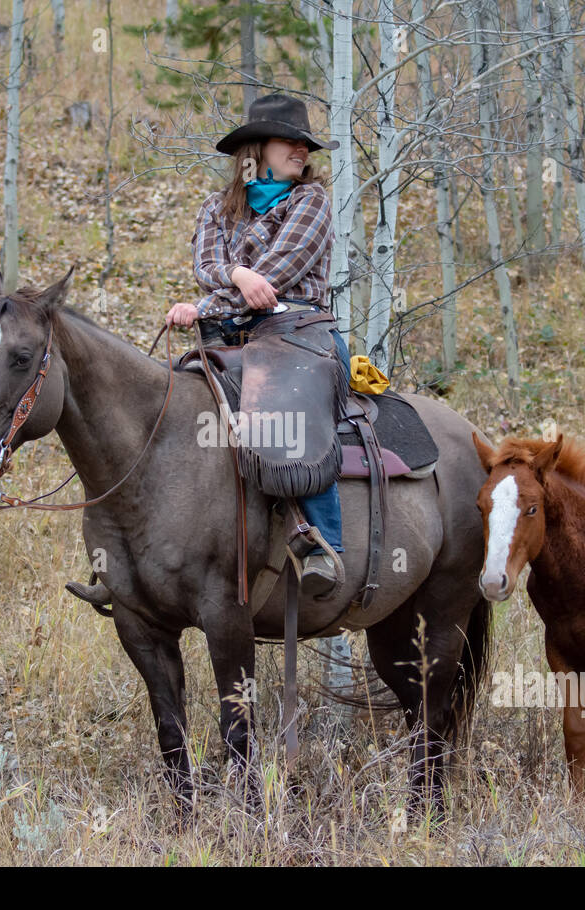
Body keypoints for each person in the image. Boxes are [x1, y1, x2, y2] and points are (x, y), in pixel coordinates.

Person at [166, 93, 349, 597]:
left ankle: (321, 545)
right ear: (256, 149)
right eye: (289, 140)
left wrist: (205, 305)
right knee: (170, 406)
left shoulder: (311, 201)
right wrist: (236, 275)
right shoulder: (216, 208)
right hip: (230, 332)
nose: (301, 150)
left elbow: (276, 276)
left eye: (305, 143)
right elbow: (207, 266)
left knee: (289, 412)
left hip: (297, 330)